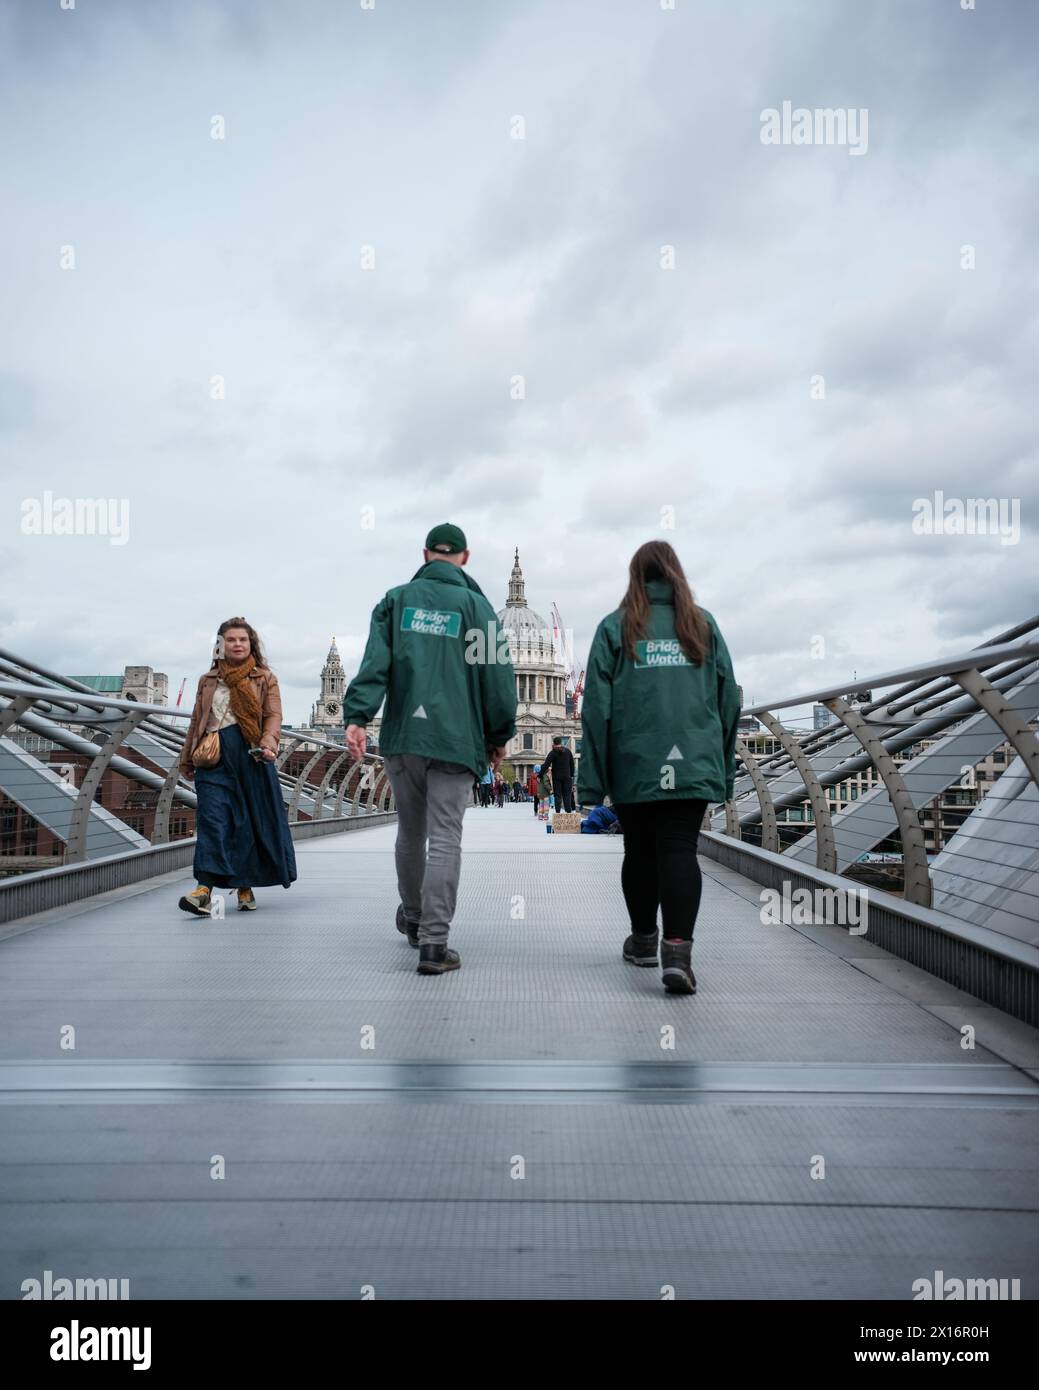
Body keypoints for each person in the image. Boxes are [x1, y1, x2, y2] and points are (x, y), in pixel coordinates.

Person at [343, 523, 517, 974]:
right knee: (445, 838)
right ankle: (435, 946)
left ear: (424, 555)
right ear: (465, 557)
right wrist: (497, 736)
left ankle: (415, 919)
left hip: (405, 738)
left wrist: (358, 717)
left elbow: (374, 664)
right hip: (457, 741)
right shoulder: (478, 608)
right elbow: (497, 680)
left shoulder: (396, 601)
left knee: (409, 832)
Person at [578, 541, 739, 995]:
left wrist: (594, 776)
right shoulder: (703, 626)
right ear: (676, 574)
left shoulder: (616, 627)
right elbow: (729, 700)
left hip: (634, 761)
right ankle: (678, 953)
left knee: (640, 851)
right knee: (679, 851)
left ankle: (644, 940)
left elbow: (596, 710)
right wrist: (721, 766)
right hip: (692, 758)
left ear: (636, 577)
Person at [177, 617, 297, 917]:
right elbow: (196, 721)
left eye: (242, 639)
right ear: (221, 644)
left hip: (252, 756)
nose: (237, 644)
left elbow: (273, 715)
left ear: (251, 643)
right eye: (231, 640)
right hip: (213, 756)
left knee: (245, 824)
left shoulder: (264, 678)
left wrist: (269, 744)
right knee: (213, 820)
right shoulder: (208, 680)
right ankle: (203, 889)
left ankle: (244, 885)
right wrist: (186, 758)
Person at [541, 736, 575, 812]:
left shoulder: (552, 753)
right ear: (561, 742)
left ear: (554, 743)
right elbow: (572, 764)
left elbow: (546, 765)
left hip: (557, 778)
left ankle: (558, 813)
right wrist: (572, 775)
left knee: (558, 796)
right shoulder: (568, 751)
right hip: (567, 777)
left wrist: (540, 775)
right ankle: (568, 813)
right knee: (567, 796)